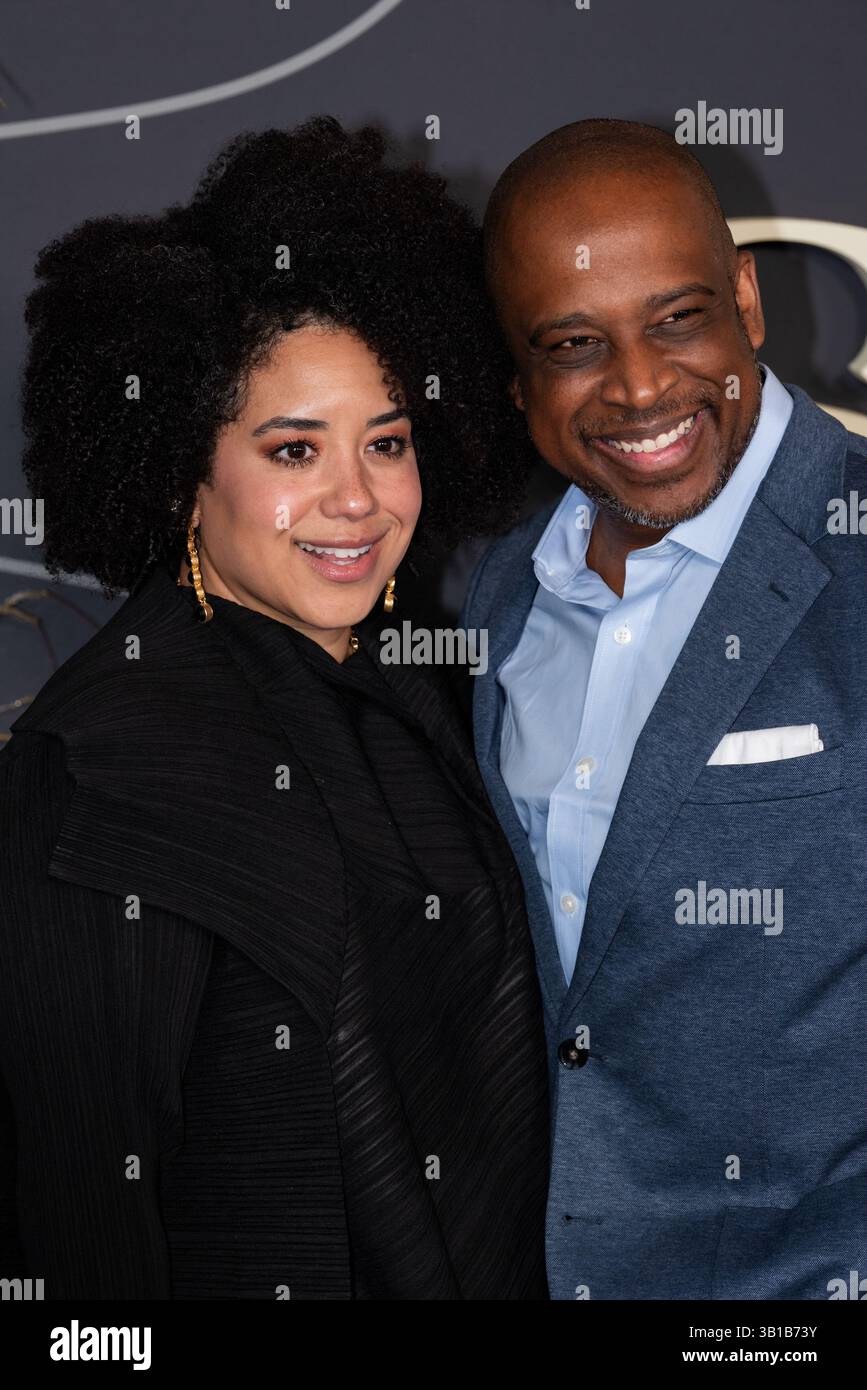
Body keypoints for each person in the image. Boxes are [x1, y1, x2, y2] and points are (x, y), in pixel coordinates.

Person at [0, 117, 550, 1300]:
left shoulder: (422, 696)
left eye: (387, 441)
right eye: (294, 449)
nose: (356, 499)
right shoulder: (95, 769)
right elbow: (76, 1226)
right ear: (181, 470)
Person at [463, 117, 867, 1300]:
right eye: (575, 343)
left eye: (679, 317)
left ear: (746, 297)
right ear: (517, 374)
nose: (640, 387)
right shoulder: (495, 588)